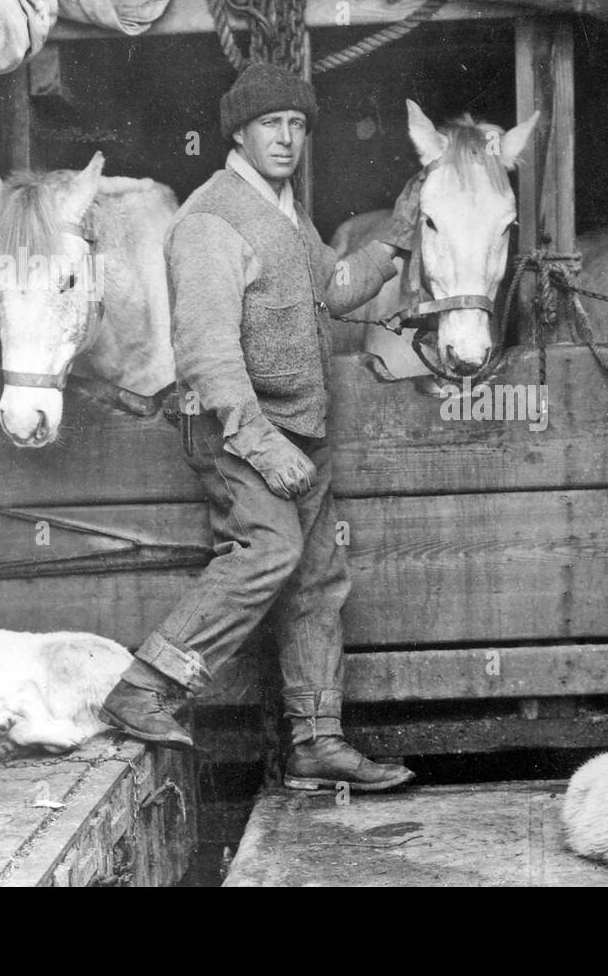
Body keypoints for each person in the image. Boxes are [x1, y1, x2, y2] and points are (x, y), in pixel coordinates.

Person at [100, 63, 418, 792]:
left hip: (301, 427)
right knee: (269, 549)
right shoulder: (212, 219)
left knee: (317, 578)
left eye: (297, 124)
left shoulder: (285, 212)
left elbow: (334, 289)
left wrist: (394, 241)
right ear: (238, 130)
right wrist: (263, 444)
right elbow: (207, 355)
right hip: (241, 431)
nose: (286, 137)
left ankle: (316, 740)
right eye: (270, 123)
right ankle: (145, 684)